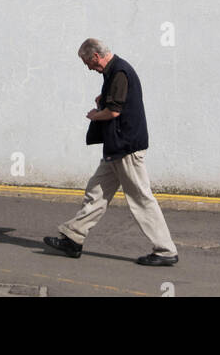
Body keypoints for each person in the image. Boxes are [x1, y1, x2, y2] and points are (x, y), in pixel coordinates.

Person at [43, 38, 178, 267]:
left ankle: (165, 250)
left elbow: (114, 112)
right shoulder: (112, 72)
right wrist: (103, 99)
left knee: (141, 198)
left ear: (95, 56)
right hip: (117, 146)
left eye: (87, 62)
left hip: (126, 147)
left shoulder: (119, 72)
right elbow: (116, 101)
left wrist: (96, 114)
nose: (87, 67)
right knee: (96, 191)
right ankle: (73, 238)